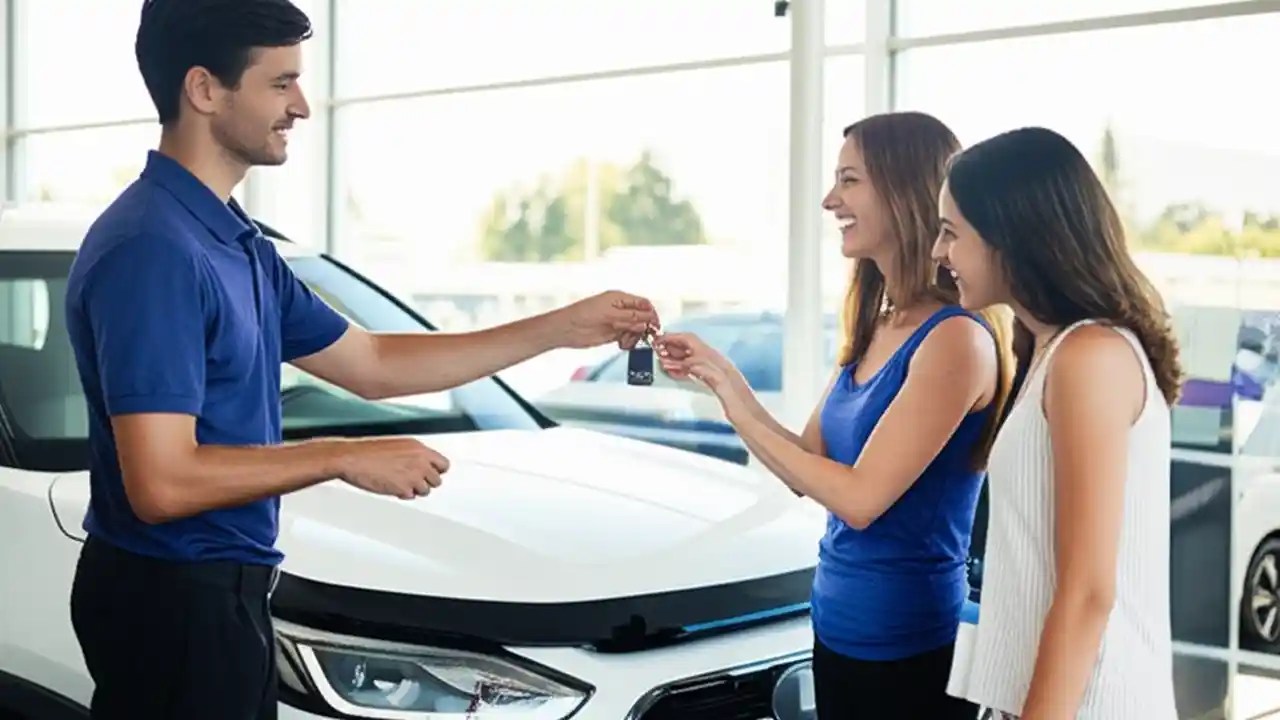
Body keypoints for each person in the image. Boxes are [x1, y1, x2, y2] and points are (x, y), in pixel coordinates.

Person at [62, 2, 660, 719]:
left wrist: (561, 327)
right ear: (204, 89)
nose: (303, 107)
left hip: (224, 597)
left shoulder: (235, 243)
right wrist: (342, 455)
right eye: (280, 83)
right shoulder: (155, 249)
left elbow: (372, 360)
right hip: (171, 600)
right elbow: (162, 480)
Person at [654, 111, 1015, 718]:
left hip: (910, 654)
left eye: (849, 181)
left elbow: (859, 498)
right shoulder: (881, 327)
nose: (830, 200)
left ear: (902, 191)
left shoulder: (955, 340)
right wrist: (720, 376)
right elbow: (809, 465)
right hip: (840, 634)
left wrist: (736, 407)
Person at [933, 126, 1182, 719]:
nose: (939, 254)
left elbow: (1089, 590)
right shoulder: (1050, 351)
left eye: (951, 233)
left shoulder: (1088, 356)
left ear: (1011, 237)